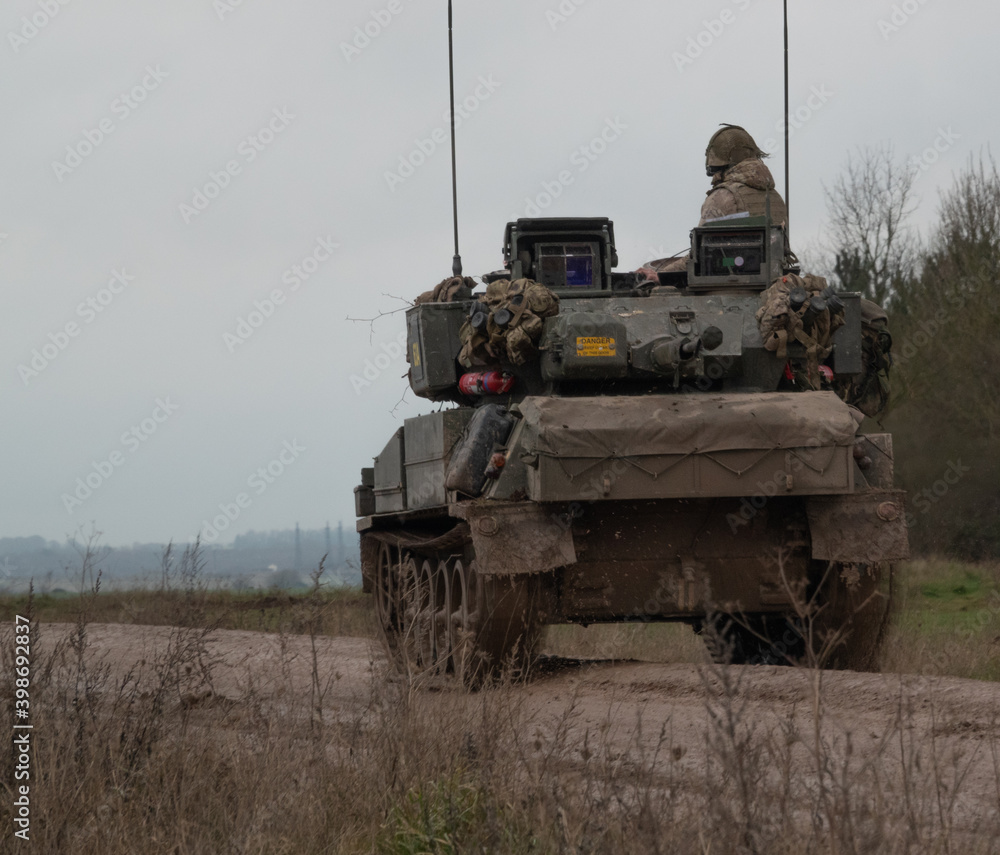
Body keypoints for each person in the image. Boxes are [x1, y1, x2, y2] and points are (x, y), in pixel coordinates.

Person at [641, 124, 787, 277]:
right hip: (777, 284)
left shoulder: (722, 197)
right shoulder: (775, 197)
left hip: (731, 284)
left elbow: (698, 256)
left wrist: (660, 275)